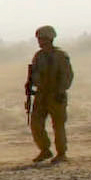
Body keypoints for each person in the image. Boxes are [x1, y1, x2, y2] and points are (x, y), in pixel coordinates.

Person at [25, 26, 73, 163]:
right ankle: (45, 150)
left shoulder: (60, 56)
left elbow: (67, 75)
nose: (40, 41)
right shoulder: (39, 56)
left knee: (58, 125)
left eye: (42, 39)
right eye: (39, 39)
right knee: (35, 124)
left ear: (50, 39)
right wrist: (30, 85)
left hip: (56, 94)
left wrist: (60, 91)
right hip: (41, 95)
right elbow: (33, 74)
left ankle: (61, 153)